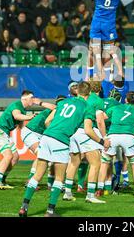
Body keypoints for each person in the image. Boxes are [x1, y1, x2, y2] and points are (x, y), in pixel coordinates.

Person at [19, 82, 106, 217]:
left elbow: (48, 121)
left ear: (77, 92)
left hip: (47, 137)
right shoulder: (87, 107)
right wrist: (102, 141)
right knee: (59, 178)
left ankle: (24, 207)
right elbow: (88, 130)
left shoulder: (63, 102)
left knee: (37, 174)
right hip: (61, 140)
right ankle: (50, 211)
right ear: (88, 94)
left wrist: (54, 131)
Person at [0, 90, 55, 190]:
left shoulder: (23, 110)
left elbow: (20, 125)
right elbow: (16, 115)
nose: (33, 100)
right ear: (25, 98)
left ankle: (2, 180)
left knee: (15, 157)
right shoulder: (17, 105)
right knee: (8, 155)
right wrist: (29, 117)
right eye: (31, 98)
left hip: (5, 133)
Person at [63, 81, 106, 203]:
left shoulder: (75, 100)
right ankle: (90, 195)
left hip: (72, 132)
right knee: (96, 162)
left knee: (74, 162)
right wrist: (104, 138)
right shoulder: (97, 101)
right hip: (84, 131)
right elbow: (100, 121)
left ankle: (67, 192)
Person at [97, 91, 134, 198]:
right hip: (129, 136)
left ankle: (100, 189)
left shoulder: (115, 108)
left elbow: (101, 118)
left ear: (125, 100)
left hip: (113, 135)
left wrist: (104, 135)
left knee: (105, 163)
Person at [88, 0, 124, 81]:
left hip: (97, 23)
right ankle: (113, 75)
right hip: (109, 25)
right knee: (109, 51)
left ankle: (94, 74)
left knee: (94, 50)